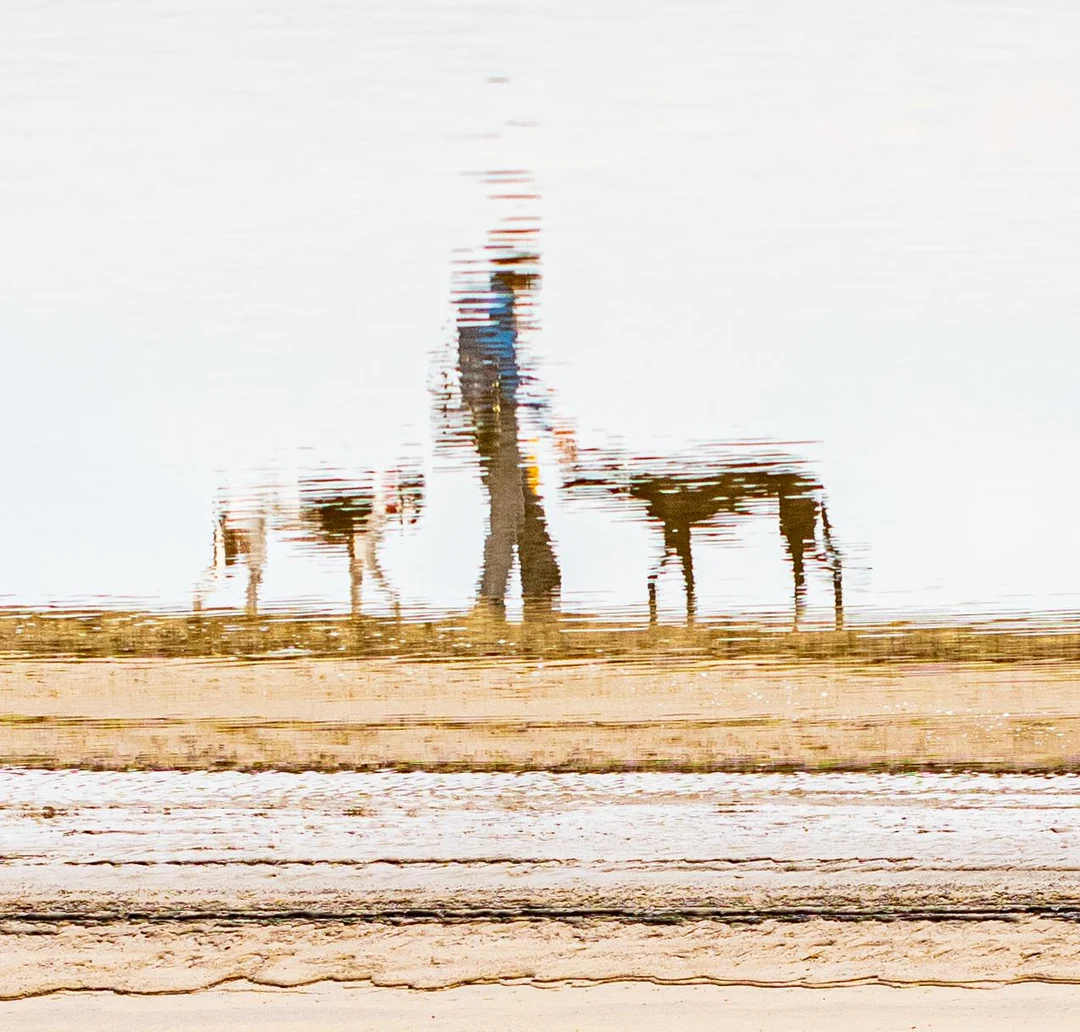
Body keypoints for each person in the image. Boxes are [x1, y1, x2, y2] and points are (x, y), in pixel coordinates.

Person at [454, 240, 561, 617]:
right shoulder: (499, 313)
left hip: (487, 420)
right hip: (498, 420)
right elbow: (509, 369)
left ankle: (542, 587)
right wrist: (548, 421)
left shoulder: (478, 309)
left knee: (522, 501)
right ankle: (491, 601)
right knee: (509, 508)